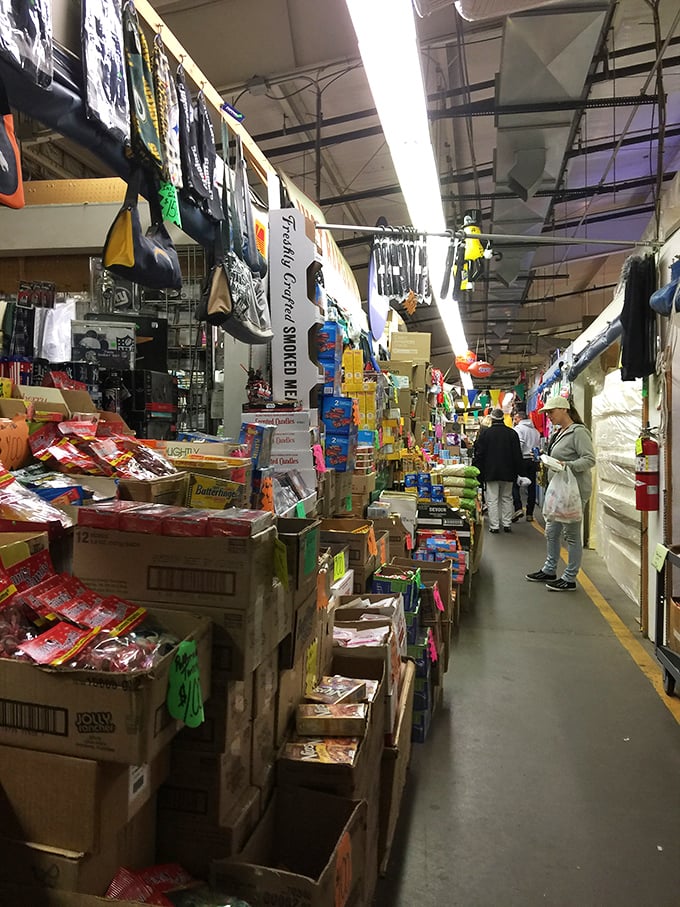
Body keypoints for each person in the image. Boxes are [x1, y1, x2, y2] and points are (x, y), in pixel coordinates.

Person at [526, 395, 596, 591]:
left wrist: (567, 465)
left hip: (573, 492)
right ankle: (549, 569)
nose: (548, 416)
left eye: (551, 411)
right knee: (551, 531)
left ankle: (570, 577)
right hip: (560, 491)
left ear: (564, 409)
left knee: (572, 535)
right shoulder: (559, 432)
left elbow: (589, 459)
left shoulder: (578, 432)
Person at [473, 408, 524, 534]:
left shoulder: (485, 434)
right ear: (502, 418)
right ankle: (507, 524)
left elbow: (479, 454)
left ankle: (494, 526)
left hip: (490, 472)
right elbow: (517, 455)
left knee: (492, 499)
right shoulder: (512, 434)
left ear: (492, 418)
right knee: (507, 498)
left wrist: (480, 471)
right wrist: (520, 472)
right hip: (508, 472)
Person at [512, 409, 541, 522]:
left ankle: (518, 507)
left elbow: (519, 444)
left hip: (522, 459)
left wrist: (515, 458)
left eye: (515, 419)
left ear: (519, 418)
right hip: (533, 460)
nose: (514, 421)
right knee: (532, 487)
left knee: (515, 484)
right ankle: (530, 513)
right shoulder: (535, 431)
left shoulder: (519, 429)